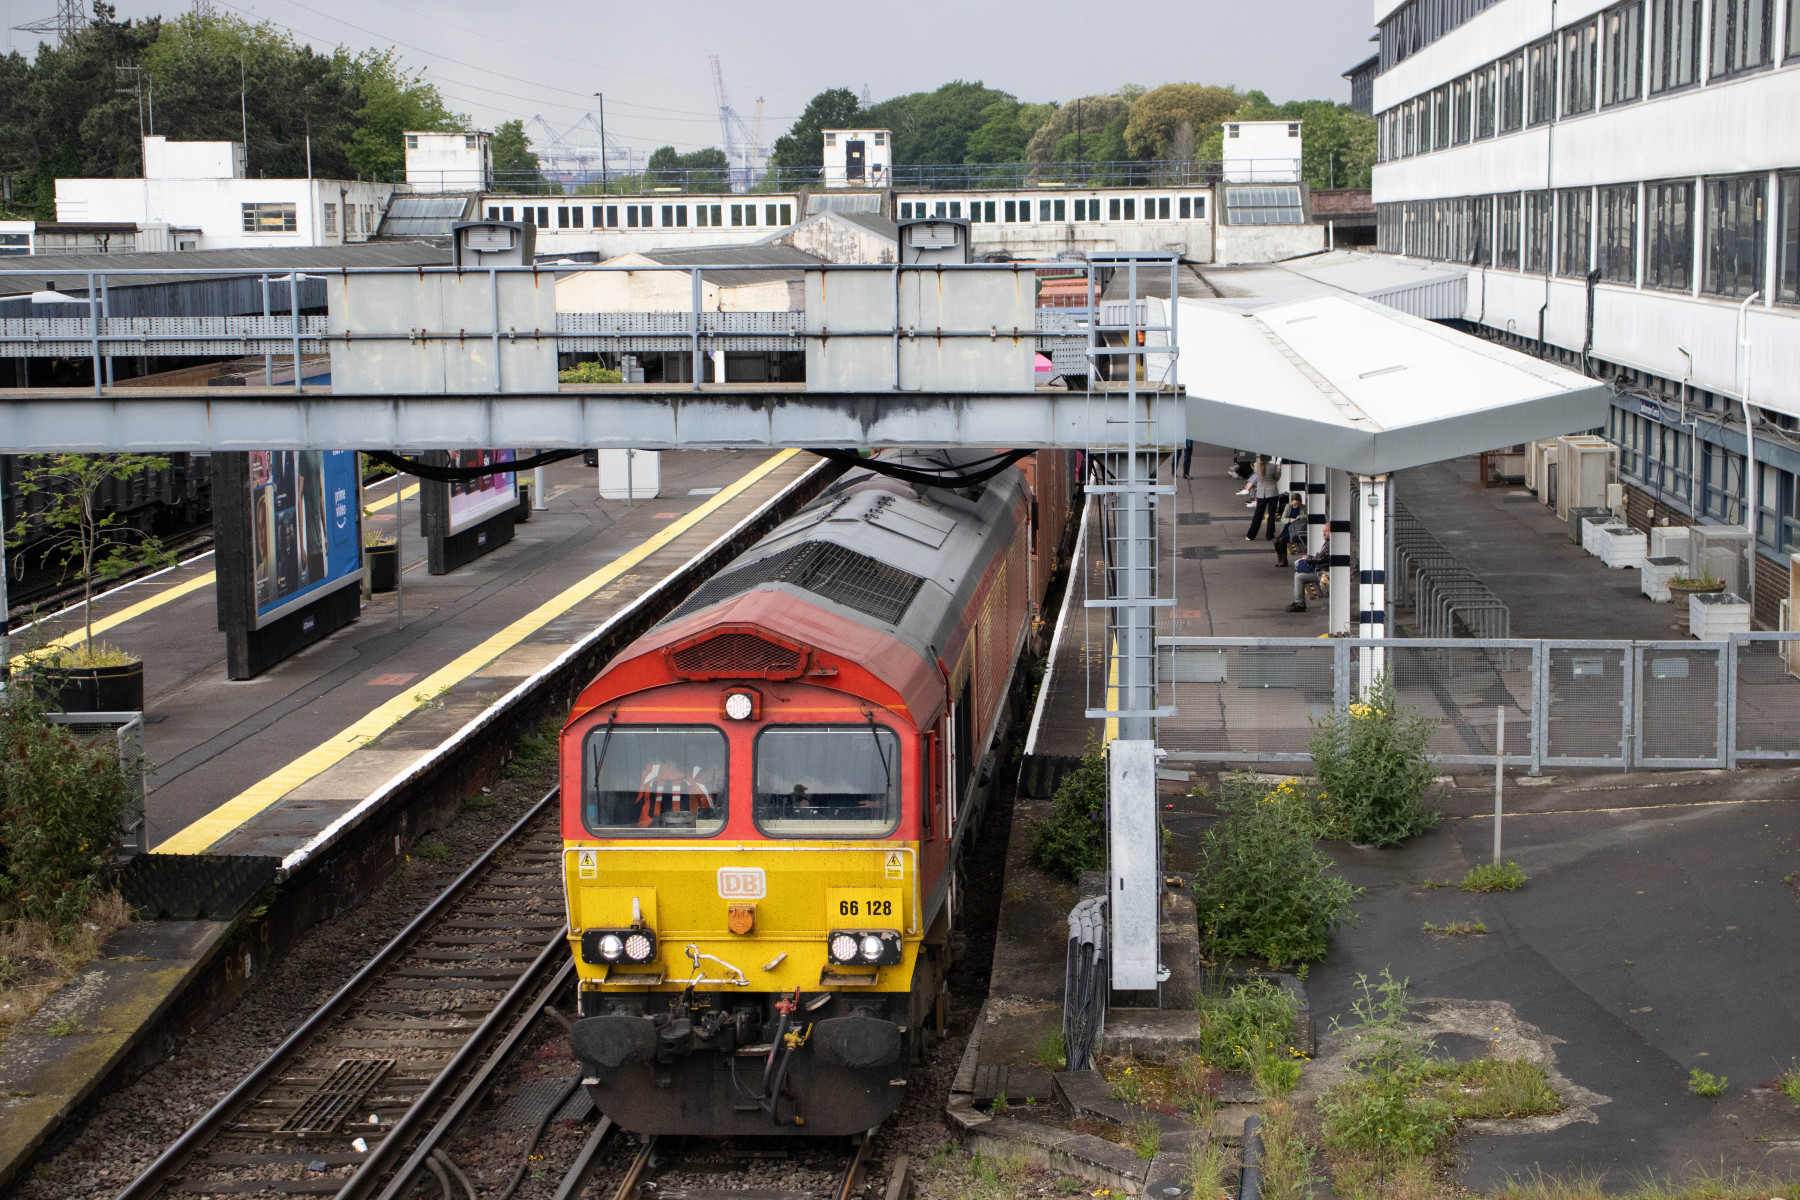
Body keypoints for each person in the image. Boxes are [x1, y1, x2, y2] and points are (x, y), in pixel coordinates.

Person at [1246, 457, 1282, 539]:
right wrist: (1279, 469)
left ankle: (1251, 535)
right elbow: (1277, 477)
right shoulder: (1273, 466)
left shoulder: (1256, 465)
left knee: (1258, 514)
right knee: (1271, 514)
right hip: (1272, 492)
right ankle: (1269, 535)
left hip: (1261, 492)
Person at [1272, 494, 1307, 567]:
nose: (1296, 505)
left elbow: (1308, 517)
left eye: (1298, 504)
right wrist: (1290, 520)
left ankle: (1284, 560)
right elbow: (1283, 519)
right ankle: (1279, 559)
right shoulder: (1288, 507)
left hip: (1296, 530)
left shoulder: (1304, 508)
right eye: (1294, 504)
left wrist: (1302, 516)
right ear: (1292, 502)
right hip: (1288, 528)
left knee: (1282, 540)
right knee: (1276, 541)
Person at [1288, 543, 1323, 612]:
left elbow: (1320, 558)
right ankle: (1300, 601)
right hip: (1322, 570)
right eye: (1323, 531)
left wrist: (1308, 558)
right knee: (1297, 574)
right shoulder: (1328, 543)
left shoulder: (1329, 545)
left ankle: (1300, 603)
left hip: (1323, 573)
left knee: (1299, 577)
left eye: (1326, 531)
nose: (1324, 533)